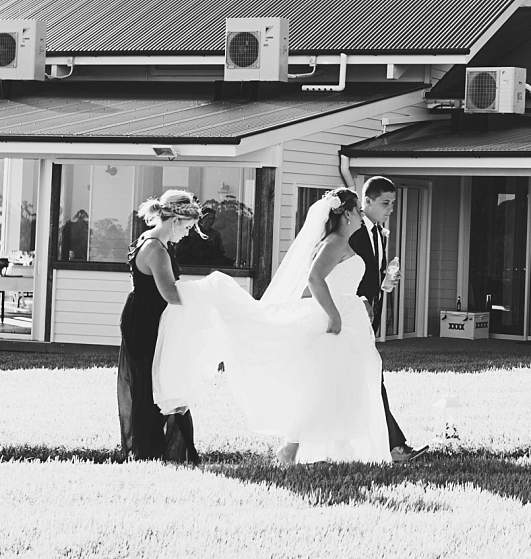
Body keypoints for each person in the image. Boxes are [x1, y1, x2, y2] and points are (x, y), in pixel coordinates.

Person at [155, 188, 393, 464]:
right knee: (325, 388)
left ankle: (339, 451)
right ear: (348, 213)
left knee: (343, 388)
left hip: (349, 319)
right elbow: (315, 280)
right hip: (337, 323)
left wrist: (357, 300)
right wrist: (335, 314)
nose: (362, 218)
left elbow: (339, 282)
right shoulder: (336, 242)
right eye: (359, 212)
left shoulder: (341, 241)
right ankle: (291, 449)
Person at [342, 176, 424, 462]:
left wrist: (384, 283)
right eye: (385, 203)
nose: (391, 209)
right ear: (367, 202)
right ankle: (394, 446)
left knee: (360, 381)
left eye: (393, 203)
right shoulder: (350, 232)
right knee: (371, 379)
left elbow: (369, 276)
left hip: (367, 320)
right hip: (349, 317)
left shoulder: (379, 232)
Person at [117, 189, 201, 464]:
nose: (187, 233)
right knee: (150, 386)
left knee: (161, 381)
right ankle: (149, 453)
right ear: (175, 220)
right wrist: (208, 300)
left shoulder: (158, 242)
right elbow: (170, 294)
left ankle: (166, 452)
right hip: (145, 322)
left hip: (150, 317)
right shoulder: (154, 247)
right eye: (187, 227)